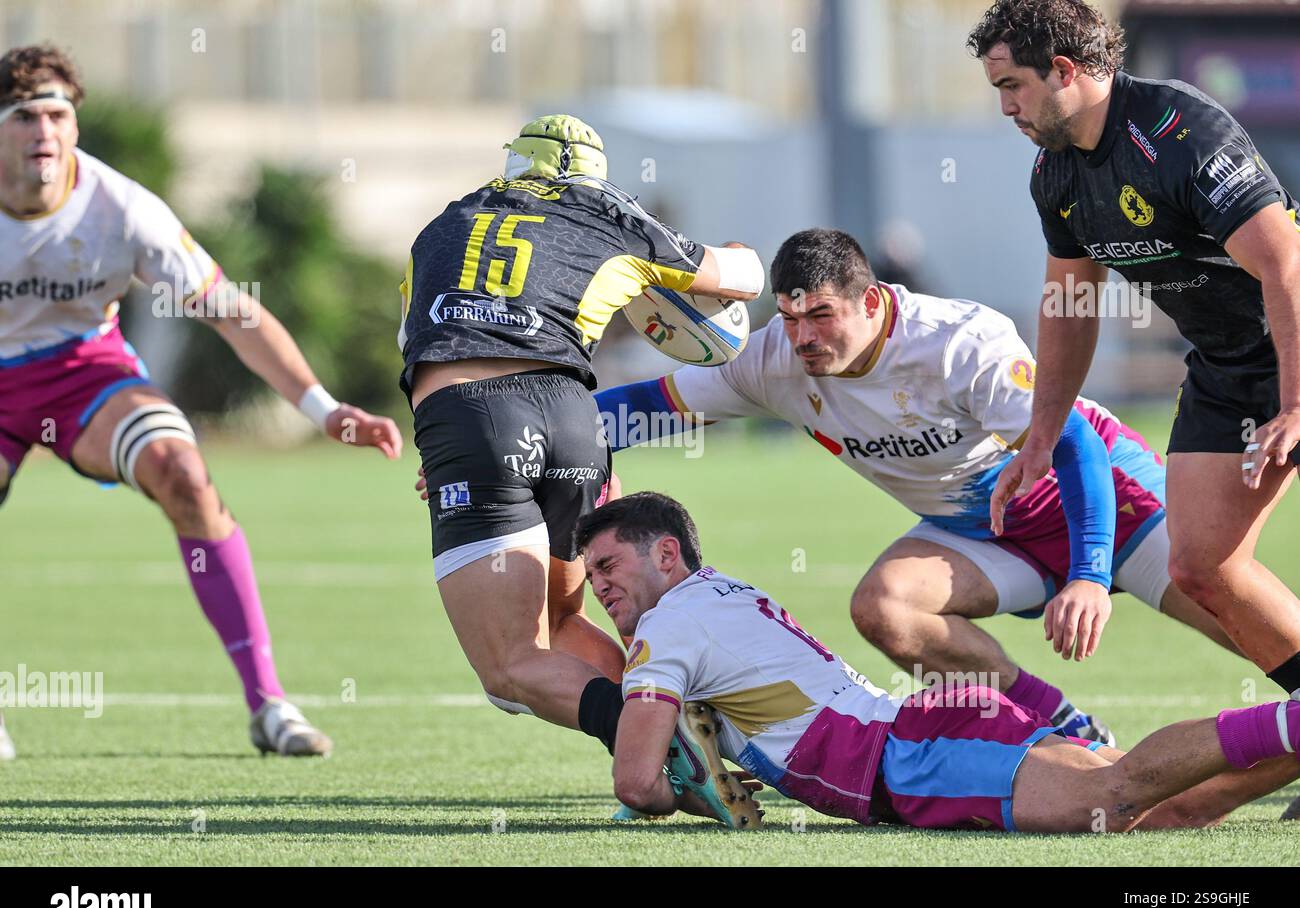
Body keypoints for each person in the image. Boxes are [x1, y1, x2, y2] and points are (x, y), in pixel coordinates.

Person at [597, 228, 1242, 746]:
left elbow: (1073, 444)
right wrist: (539, 424)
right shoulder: (774, 361)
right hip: (985, 534)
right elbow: (652, 405)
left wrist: (1089, 574)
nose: (804, 339)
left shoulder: (956, 341)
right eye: (791, 318)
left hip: (1099, 496)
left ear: (872, 302)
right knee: (884, 608)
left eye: (821, 315)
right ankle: (1060, 729)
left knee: (1235, 613)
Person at [0, 45, 403, 757]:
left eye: (57, 114)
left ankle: (269, 703)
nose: (44, 132)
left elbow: (233, 313)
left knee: (184, 472)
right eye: (24, 115)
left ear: (76, 125)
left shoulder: (121, 208)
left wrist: (322, 408)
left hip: (83, 371)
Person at [578, 491, 1300, 832]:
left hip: (912, 754)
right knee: (1167, 812)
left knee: (1117, 794)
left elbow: (638, 781)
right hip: (928, 735)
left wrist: (688, 794)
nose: (598, 585)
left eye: (608, 564)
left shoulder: (668, 624)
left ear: (665, 554)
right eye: (591, 573)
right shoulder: (714, 597)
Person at [399, 113, 763, 758]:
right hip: (575, 420)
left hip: (473, 422)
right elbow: (744, 279)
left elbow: (421, 344)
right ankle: (707, 731)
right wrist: (735, 255)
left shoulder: (442, 227)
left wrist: (452, 446)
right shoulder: (609, 214)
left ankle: (667, 747)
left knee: (512, 668)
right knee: (562, 623)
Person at [969, 0, 1300, 703]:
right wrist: (1040, 438)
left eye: (1011, 86)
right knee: (1202, 568)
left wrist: (1298, 403)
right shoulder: (1055, 173)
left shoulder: (1179, 130)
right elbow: (1068, 306)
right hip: (1229, 366)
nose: (1005, 108)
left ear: (1063, 70)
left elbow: (1287, 266)